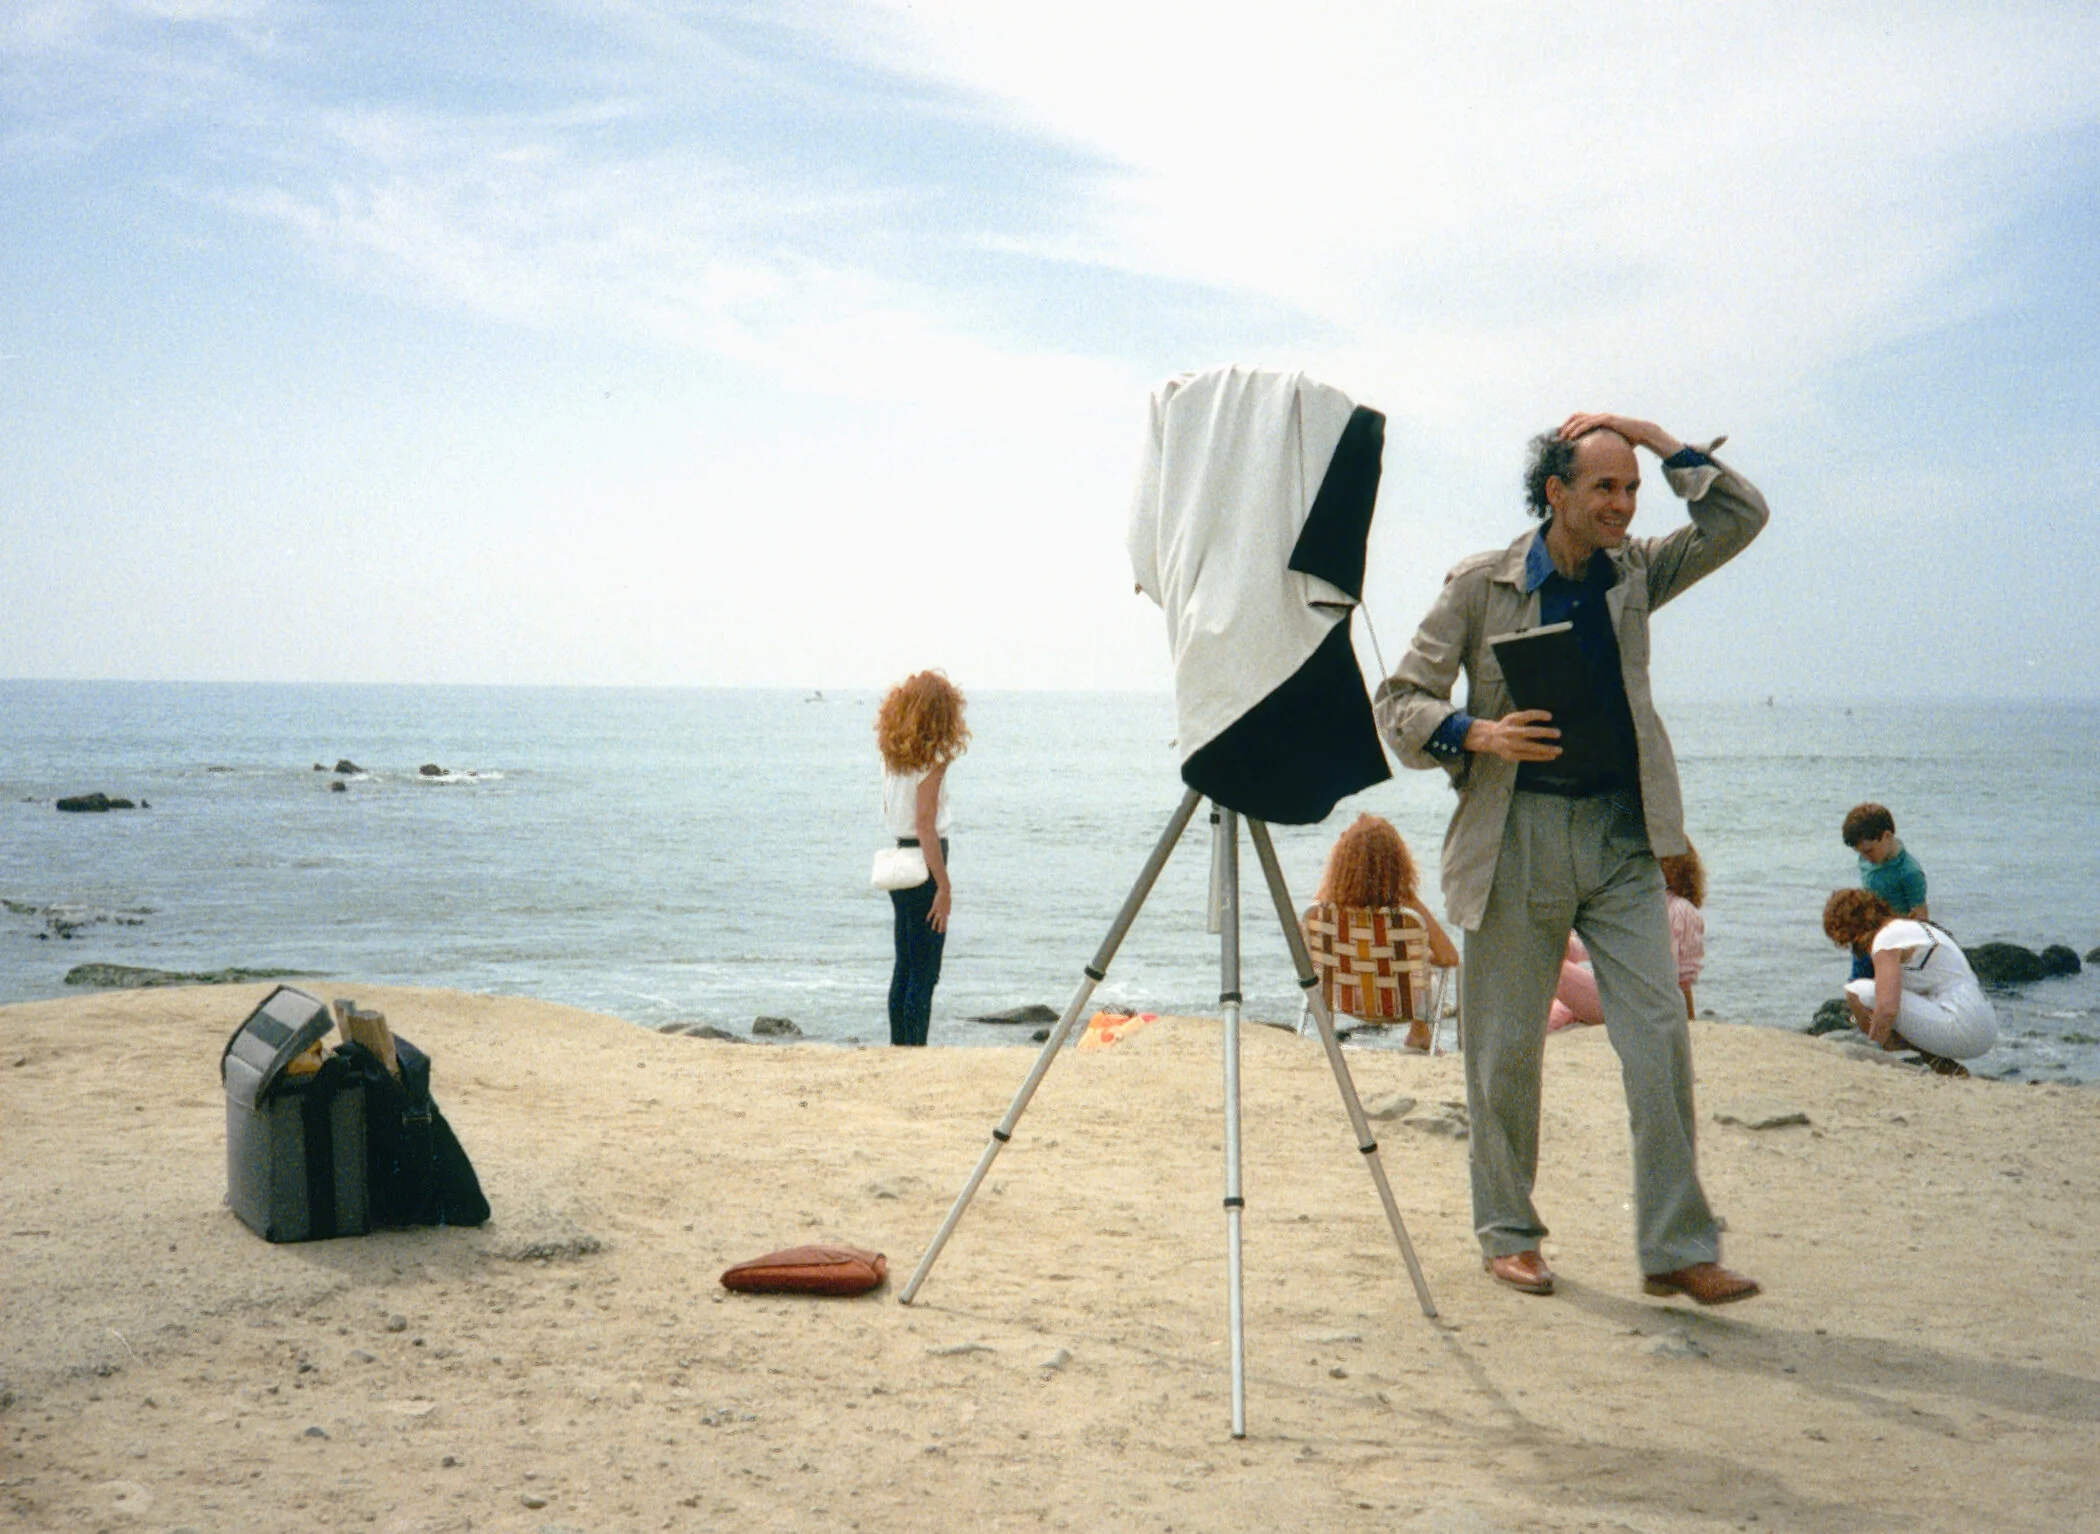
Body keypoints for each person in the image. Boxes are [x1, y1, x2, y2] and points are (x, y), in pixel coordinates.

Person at [1376, 412, 1767, 1305]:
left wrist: (1654, 437)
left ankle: (1674, 1248)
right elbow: (1397, 701)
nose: (1625, 505)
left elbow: (1739, 519)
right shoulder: (1481, 585)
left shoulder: (1638, 572)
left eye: (1632, 487)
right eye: (1607, 487)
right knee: (1505, 1052)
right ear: (1557, 493)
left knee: (1661, 1034)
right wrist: (1476, 731)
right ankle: (1508, 1234)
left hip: (1623, 842)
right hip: (1514, 839)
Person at [1306, 813, 1460, 1051]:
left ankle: (1326, 1029)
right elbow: (1450, 957)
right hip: (1401, 1005)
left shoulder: (1324, 909)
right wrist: (1414, 956)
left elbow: (1306, 947)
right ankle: (1419, 1033)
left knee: (1326, 960)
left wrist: (1331, 885)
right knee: (1421, 969)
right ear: (1398, 862)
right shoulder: (1408, 908)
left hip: (1347, 1000)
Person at [875, 671, 969, 1047]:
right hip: (925, 861)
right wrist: (943, 886)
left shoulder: (892, 756)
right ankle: (914, 1050)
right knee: (925, 971)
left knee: (905, 964)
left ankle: (899, 1046)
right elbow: (926, 826)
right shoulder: (933, 760)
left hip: (900, 858)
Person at [1821, 888, 1996, 1075]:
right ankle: (1939, 1064)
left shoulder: (1886, 939)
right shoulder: (1910, 929)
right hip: (1982, 1021)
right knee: (1885, 997)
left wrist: (1871, 1048)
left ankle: (1893, 1057)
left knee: (1856, 991)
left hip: (1962, 1022)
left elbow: (1887, 1009)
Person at [1549, 843, 1707, 1029]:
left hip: (1637, 1008)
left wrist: (1689, 1024)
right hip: (1621, 999)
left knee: (1546, 964)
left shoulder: (1678, 911)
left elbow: (1681, 980)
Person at [1841, 802, 1927, 983]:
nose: (1864, 857)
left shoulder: (1910, 872)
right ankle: (1857, 1011)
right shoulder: (1865, 859)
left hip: (1893, 942)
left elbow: (1921, 919)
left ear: (1886, 836)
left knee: (1884, 988)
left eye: (1868, 850)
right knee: (1857, 984)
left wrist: (1909, 954)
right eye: (1859, 852)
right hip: (1865, 935)